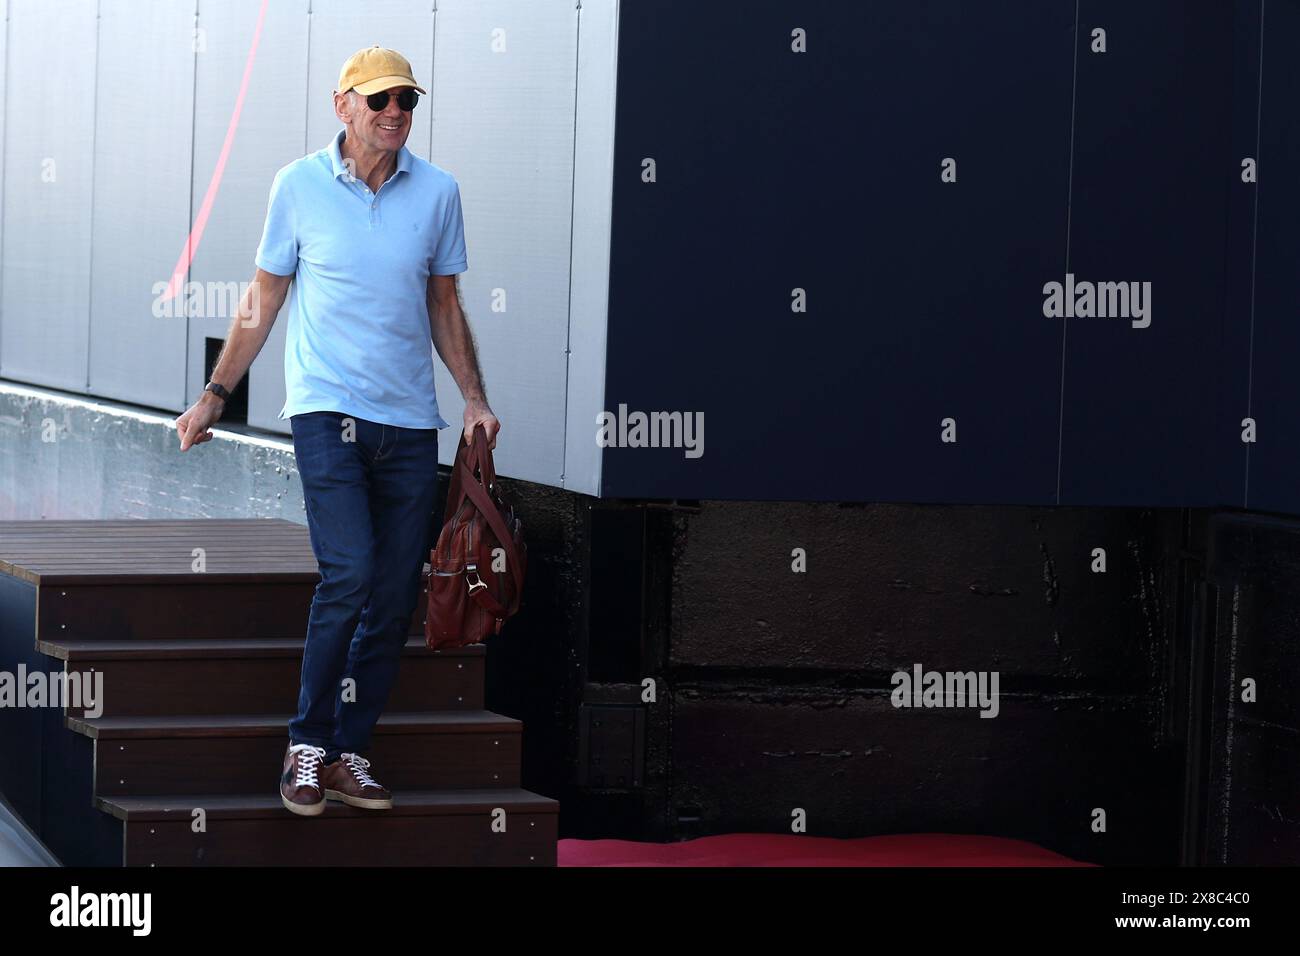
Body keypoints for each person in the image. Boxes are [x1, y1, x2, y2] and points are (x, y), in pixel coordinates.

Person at [173, 46, 500, 816]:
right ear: (343, 104)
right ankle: (307, 746)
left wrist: (474, 400)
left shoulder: (440, 192)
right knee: (350, 573)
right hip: (328, 413)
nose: (395, 113)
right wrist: (216, 393)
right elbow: (263, 297)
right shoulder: (299, 185)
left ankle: (352, 751)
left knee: (391, 597)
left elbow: (444, 306)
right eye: (380, 99)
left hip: (411, 426)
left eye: (407, 101)